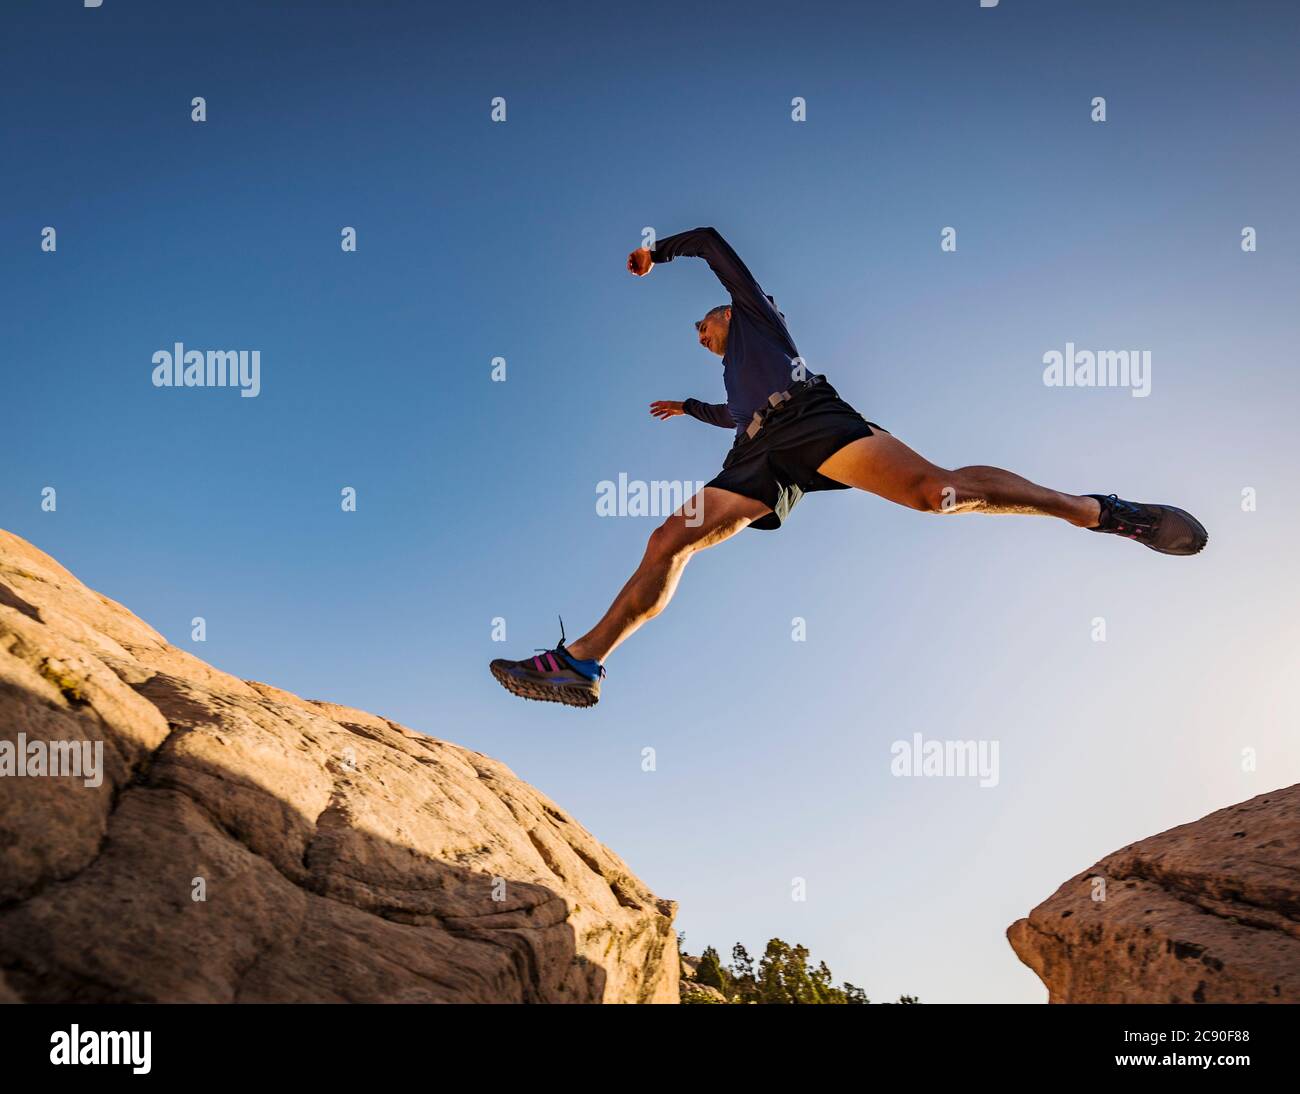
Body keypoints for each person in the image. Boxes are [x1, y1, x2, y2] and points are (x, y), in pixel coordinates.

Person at [490, 227, 1207, 708]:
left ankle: (1098, 511)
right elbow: (734, 414)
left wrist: (659, 252)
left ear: (727, 315)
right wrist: (687, 405)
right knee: (666, 540)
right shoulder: (733, 378)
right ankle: (582, 663)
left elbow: (710, 239)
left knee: (937, 494)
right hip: (757, 452)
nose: (700, 336)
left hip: (813, 417)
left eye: (702, 328)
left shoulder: (756, 317)